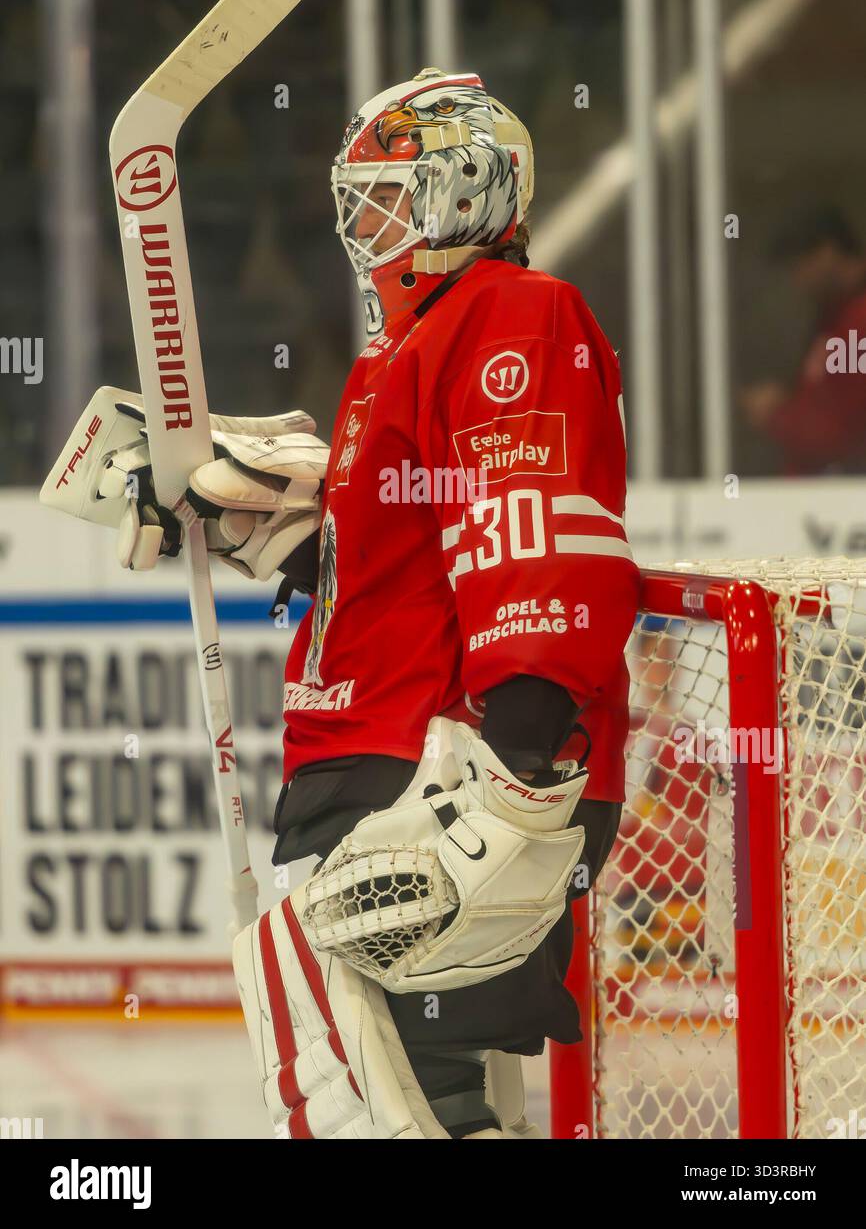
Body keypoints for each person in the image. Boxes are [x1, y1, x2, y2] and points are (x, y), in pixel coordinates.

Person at [43, 67, 638, 1139]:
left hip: (445, 772)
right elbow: (387, 575)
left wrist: (515, 776)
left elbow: (538, 540)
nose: (361, 225)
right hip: (380, 763)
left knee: (359, 1098)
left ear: (465, 191)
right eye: (354, 199)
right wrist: (245, 529)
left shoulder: (511, 314)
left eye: (385, 193)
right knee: (401, 1097)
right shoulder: (391, 360)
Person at [740, 206, 866, 475]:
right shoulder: (834, 317)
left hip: (844, 502)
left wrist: (774, 415)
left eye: (799, 267)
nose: (797, 281)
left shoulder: (859, 320)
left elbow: (847, 432)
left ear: (827, 253)